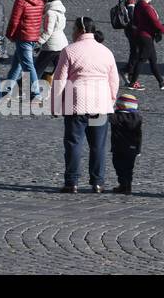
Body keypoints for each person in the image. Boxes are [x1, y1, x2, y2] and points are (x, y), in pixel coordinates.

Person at [50, 17, 121, 192]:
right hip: (101, 104)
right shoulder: (106, 51)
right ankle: (97, 182)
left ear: (80, 30)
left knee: (74, 143)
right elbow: (114, 81)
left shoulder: (69, 51)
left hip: (76, 104)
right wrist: (110, 101)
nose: (72, 32)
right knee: (98, 145)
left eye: (73, 29)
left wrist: (55, 106)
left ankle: (71, 182)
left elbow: (59, 80)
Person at [127, 0, 164, 91]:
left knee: (153, 60)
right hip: (146, 37)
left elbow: (135, 20)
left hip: (141, 35)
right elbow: (155, 22)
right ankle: (132, 82)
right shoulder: (147, 7)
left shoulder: (139, 5)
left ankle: (161, 82)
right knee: (142, 59)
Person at [3, 0, 45, 98]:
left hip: (23, 36)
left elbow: (14, 20)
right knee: (17, 64)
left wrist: (10, 35)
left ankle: (36, 92)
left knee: (27, 65)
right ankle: (7, 89)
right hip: (33, 35)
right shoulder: (39, 0)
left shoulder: (21, 1)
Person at [110, 91, 143, 194]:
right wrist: (138, 149)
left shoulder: (117, 117)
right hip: (132, 147)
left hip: (118, 147)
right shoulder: (138, 117)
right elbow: (139, 134)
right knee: (129, 168)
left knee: (118, 165)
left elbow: (109, 118)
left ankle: (123, 184)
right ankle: (127, 185)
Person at [36, 0, 69, 81]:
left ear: (45, 0)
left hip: (51, 45)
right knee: (59, 70)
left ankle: (30, 90)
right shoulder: (60, 10)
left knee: (37, 68)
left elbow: (48, 31)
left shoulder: (50, 13)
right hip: (62, 44)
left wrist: (39, 41)